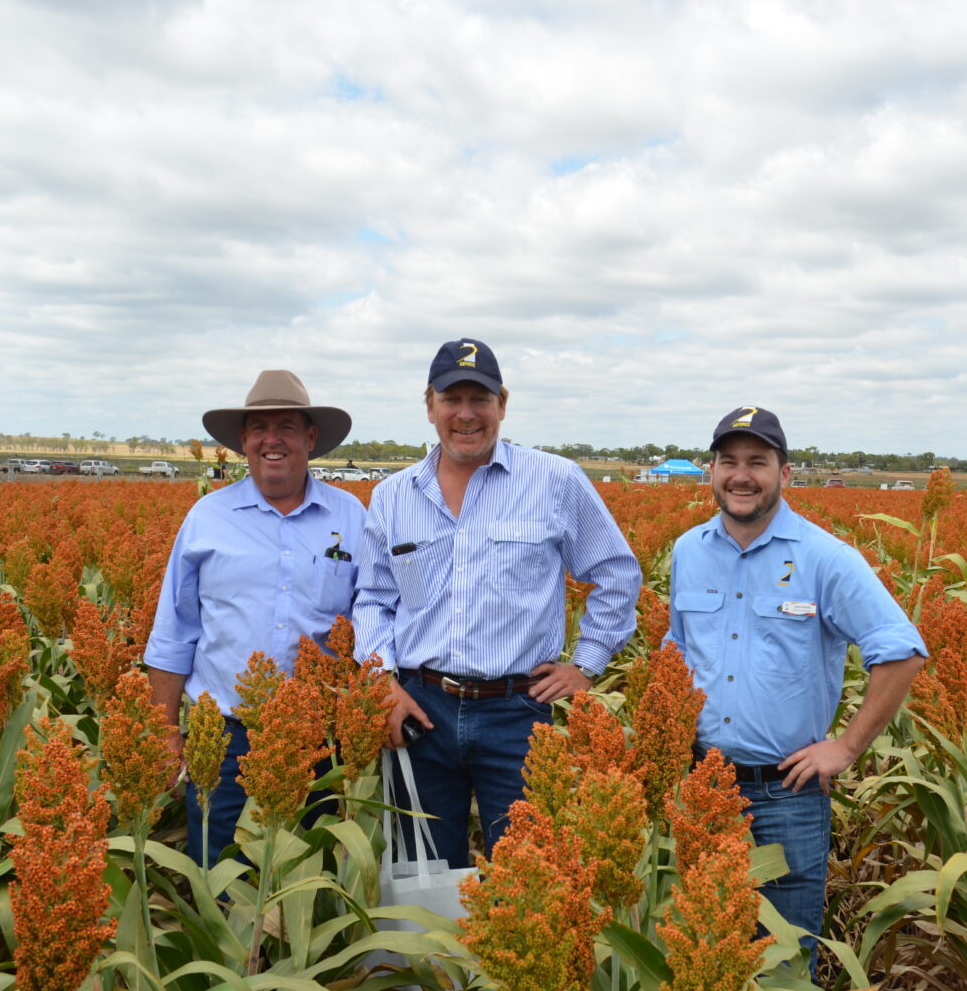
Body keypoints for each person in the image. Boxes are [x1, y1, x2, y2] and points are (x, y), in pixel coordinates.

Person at [353, 337, 641, 866]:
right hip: (421, 709)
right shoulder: (393, 495)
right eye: (451, 399)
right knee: (426, 879)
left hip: (518, 710)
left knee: (530, 881)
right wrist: (380, 681)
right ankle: (434, 956)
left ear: (501, 405)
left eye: (480, 399)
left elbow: (617, 573)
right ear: (430, 406)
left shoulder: (554, 480)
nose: (466, 414)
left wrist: (587, 665)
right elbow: (373, 597)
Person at [666, 405, 926, 967]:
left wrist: (848, 746)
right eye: (729, 461)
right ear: (711, 471)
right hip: (698, 783)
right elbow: (678, 649)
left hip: (784, 794)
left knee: (783, 959)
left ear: (785, 474)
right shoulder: (689, 550)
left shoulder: (826, 558)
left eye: (757, 462)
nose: (742, 475)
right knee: (702, 955)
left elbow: (901, 651)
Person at [144, 370, 364, 868]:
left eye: (287, 426)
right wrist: (165, 733)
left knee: (309, 883)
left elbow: (372, 623)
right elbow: (174, 632)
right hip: (223, 737)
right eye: (259, 428)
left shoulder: (350, 517)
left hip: (318, 739)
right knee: (220, 878)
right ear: (243, 440)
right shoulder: (207, 517)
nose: (272, 439)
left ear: (310, 438)